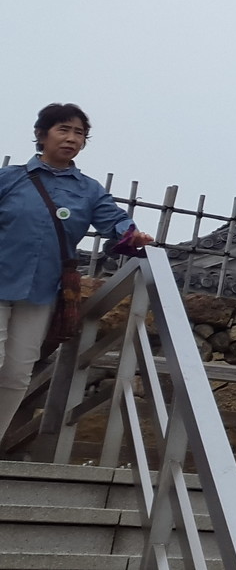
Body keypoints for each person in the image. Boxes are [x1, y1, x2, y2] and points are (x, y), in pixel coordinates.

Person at [0, 103, 155, 440]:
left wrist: (133, 236)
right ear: (42, 135)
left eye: (79, 133)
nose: (71, 138)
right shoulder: (9, 179)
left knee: (16, 375)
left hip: (41, 291)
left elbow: (115, 221)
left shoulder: (88, 190)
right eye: (63, 130)